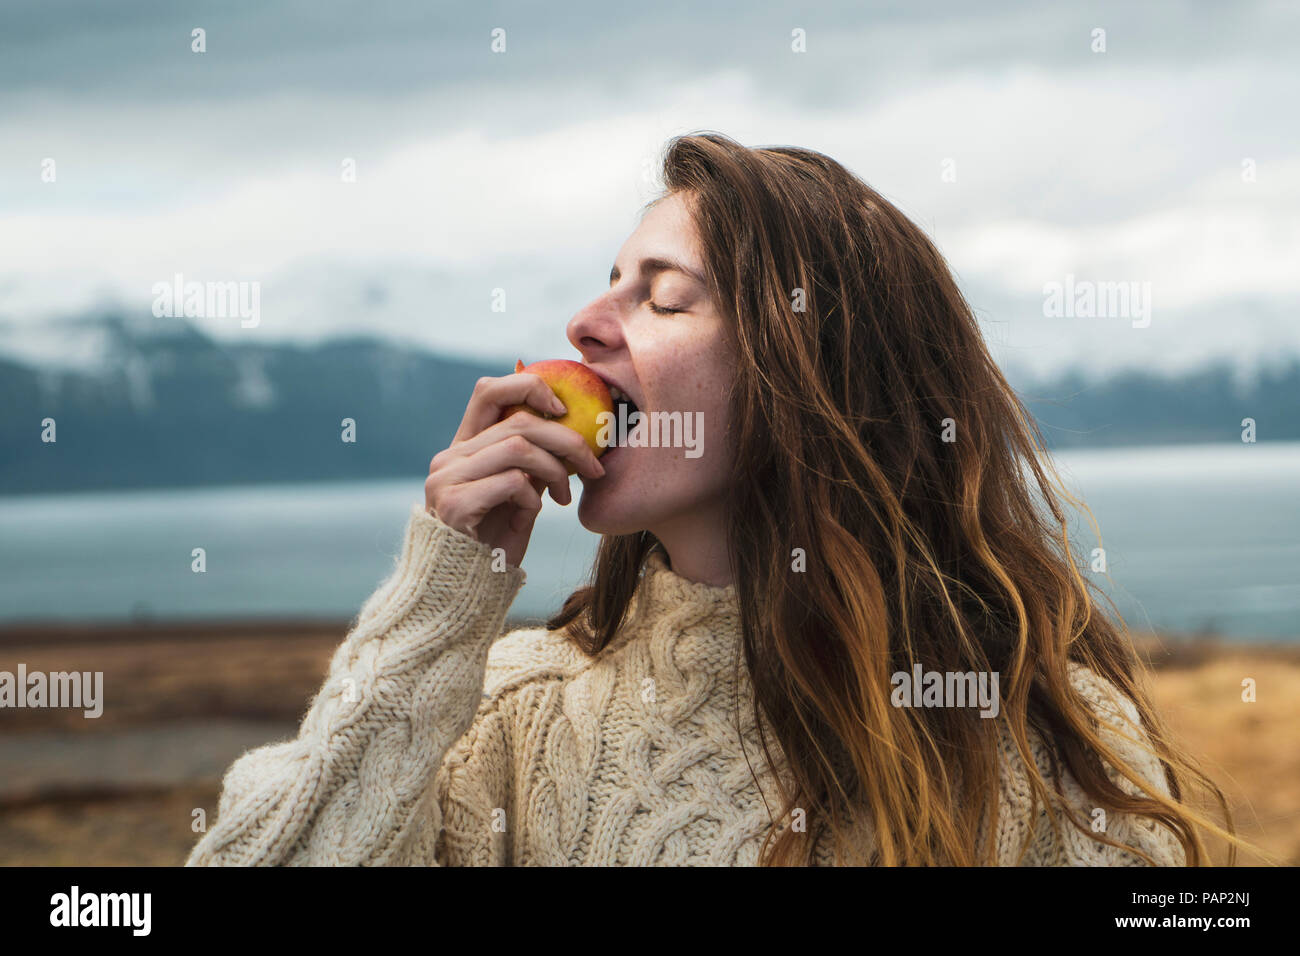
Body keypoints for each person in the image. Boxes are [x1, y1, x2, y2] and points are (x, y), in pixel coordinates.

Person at [186, 131, 1236, 866]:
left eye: (663, 294)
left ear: (810, 367)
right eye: (607, 282)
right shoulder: (514, 717)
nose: (588, 323)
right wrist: (437, 597)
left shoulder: (1025, 732)